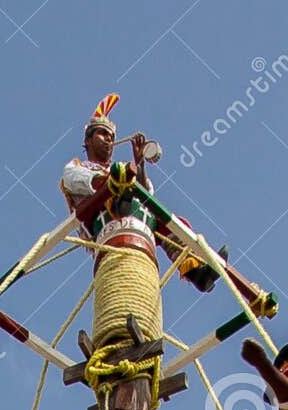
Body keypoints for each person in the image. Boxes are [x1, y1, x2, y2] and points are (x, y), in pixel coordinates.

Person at [59, 94, 226, 293]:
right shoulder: (78, 166)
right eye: (103, 134)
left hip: (138, 220)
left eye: (111, 137)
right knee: (124, 198)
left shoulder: (118, 169)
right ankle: (122, 204)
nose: (109, 141)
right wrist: (114, 181)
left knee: (173, 224)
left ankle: (198, 274)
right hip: (104, 222)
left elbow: (147, 196)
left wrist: (139, 164)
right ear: (87, 141)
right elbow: (76, 180)